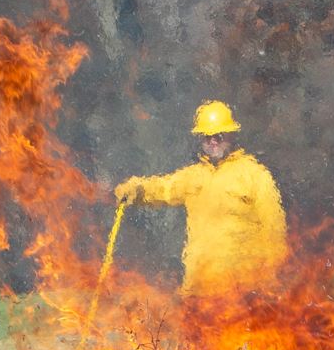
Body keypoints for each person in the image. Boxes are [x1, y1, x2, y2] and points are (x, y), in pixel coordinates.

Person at [114, 100, 288, 297]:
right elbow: (164, 188)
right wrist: (137, 190)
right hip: (198, 292)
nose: (213, 141)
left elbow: (274, 230)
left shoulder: (255, 175)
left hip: (241, 294)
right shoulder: (194, 176)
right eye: (207, 137)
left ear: (231, 135)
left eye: (218, 135)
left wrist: (270, 280)